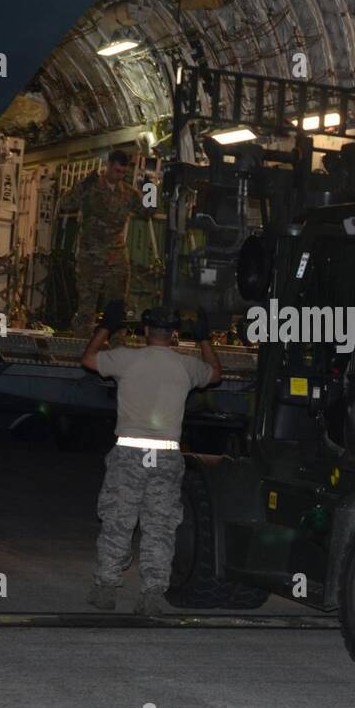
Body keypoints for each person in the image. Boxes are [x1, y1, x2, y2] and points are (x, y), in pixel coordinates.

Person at [81, 301, 222, 615]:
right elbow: (215, 373)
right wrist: (203, 339)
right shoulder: (187, 366)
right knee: (159, 526)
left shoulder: (127, 359)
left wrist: (107, 326)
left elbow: (88, 359)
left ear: (145, 331)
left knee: (119, 521)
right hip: (166, 456)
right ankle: (152, 596)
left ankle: (106, 588)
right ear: (174, 335)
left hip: (129, 453)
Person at [60, 149, 147, 337]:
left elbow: (148, 210)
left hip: (116, 258)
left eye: (123, 173)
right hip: (91, 256)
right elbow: (65, 204)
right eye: (116, 171)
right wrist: (82, 185)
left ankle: (116, 347)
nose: (119, 176)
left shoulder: (129, 193)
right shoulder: (91, 187)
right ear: (108, 166)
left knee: (116, 306)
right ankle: (82, 345)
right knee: (86, 305)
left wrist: (151, 188)